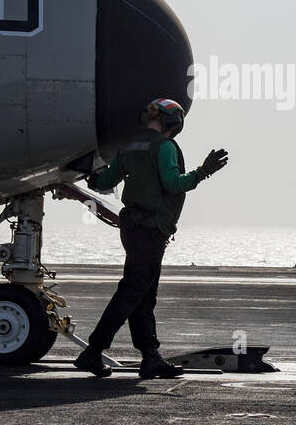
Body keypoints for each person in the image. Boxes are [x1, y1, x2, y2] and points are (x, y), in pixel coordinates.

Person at [73, 98, 228, 379]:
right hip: (151, 229)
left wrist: (87, 171)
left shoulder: (131, 145)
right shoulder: (164, 147)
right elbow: (173, 184)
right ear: (172, 121)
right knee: (133, 291)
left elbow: (104, 182)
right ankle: (93, 352)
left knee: (143, 294)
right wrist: (203, 172)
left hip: (131, 227)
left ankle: (150, 357)